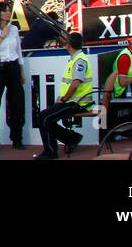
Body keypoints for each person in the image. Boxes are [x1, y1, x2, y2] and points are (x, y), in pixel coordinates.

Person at [35, 31, 93, 160]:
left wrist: (64, 98)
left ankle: (51, 152)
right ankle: (71, 138)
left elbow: (75, 84)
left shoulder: (79, 61)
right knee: (45, 117)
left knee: (44, 117)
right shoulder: (77, 59)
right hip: (73, 102)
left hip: (77, 103)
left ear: (68, 45)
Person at [0, 1, 25, 151]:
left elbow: (18, 51)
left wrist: (21, 71)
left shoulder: (14, 29)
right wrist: (1, 36)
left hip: (12, 66)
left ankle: (17, 138)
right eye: (5, 11)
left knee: (16, 104)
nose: (8, 13)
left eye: (9, 10)